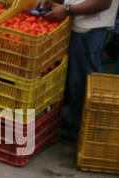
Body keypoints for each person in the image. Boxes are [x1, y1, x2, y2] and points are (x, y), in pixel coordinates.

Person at [38, 0, 119, 139]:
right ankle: (69, 121)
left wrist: (68, 8)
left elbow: (103, 3)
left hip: (91, 27)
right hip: (78, 22)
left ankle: (79, 131)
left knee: (82, 82)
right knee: (73, 78)